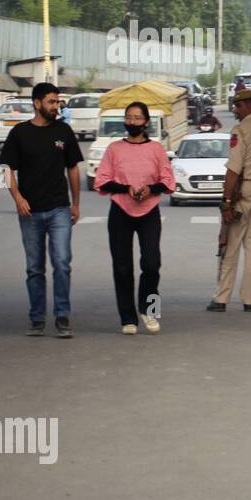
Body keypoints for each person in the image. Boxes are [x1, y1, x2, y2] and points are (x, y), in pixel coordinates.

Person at [0, 82, 83, 338]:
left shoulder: (64, 132)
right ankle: (36, 319)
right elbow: (5, 169)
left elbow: (73, 169)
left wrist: (75, 203)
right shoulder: (20, 133)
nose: (56, 106)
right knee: (35, 268)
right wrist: (17, 198)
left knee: (62, 263)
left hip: (59, 209)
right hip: (30, 212)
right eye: (51, 102)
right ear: (37, 103)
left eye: (57, 102)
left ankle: (62, 317)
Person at [94, 101, 175, 334]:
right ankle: (127, 318)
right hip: (120, 211)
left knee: (152, 264)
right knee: (122, 267)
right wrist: (125, 188)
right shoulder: (114, 149)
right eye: (128, 117)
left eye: (137, 118)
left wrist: (150, 188)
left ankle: (150, 311)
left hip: (149, 211)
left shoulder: (157, 149)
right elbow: (102, 180)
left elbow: (168, 182)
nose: (132, 122)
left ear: (147, 122)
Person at [207, 88, 251, 312]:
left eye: (238, 106)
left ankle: (222, 298)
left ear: (250, 105)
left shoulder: (241, 130)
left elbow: (233, 170)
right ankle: (250, 299)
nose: (235, 110)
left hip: (245, 189)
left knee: (231, 245)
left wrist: (226, 201)